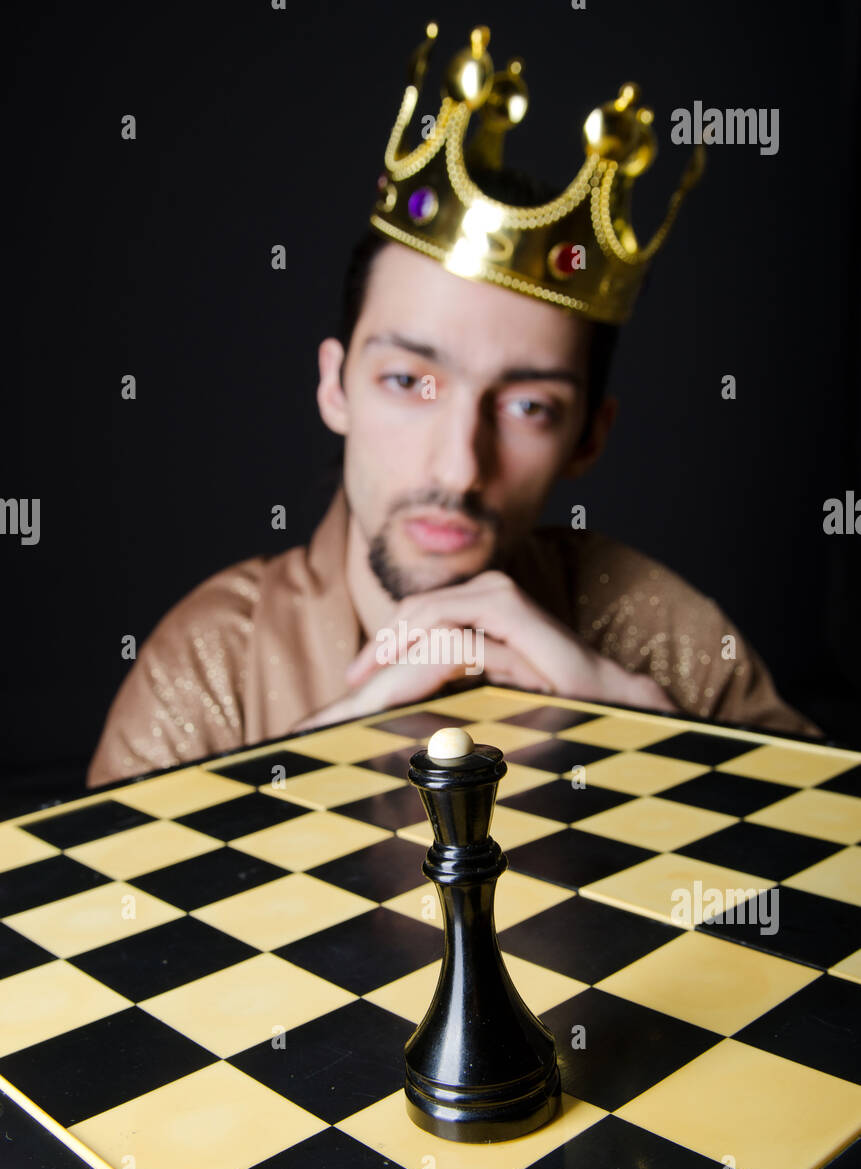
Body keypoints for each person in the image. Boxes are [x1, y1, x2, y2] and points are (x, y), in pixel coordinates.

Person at [86, 29, 819, 789]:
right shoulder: (210, 666)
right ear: (335, 386)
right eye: (409, 382)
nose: (459, 466)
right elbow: (96, 907)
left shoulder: (655, 628)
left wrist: (647, 738)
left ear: (587, 438)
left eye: (529, 405)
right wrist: (303, 776)